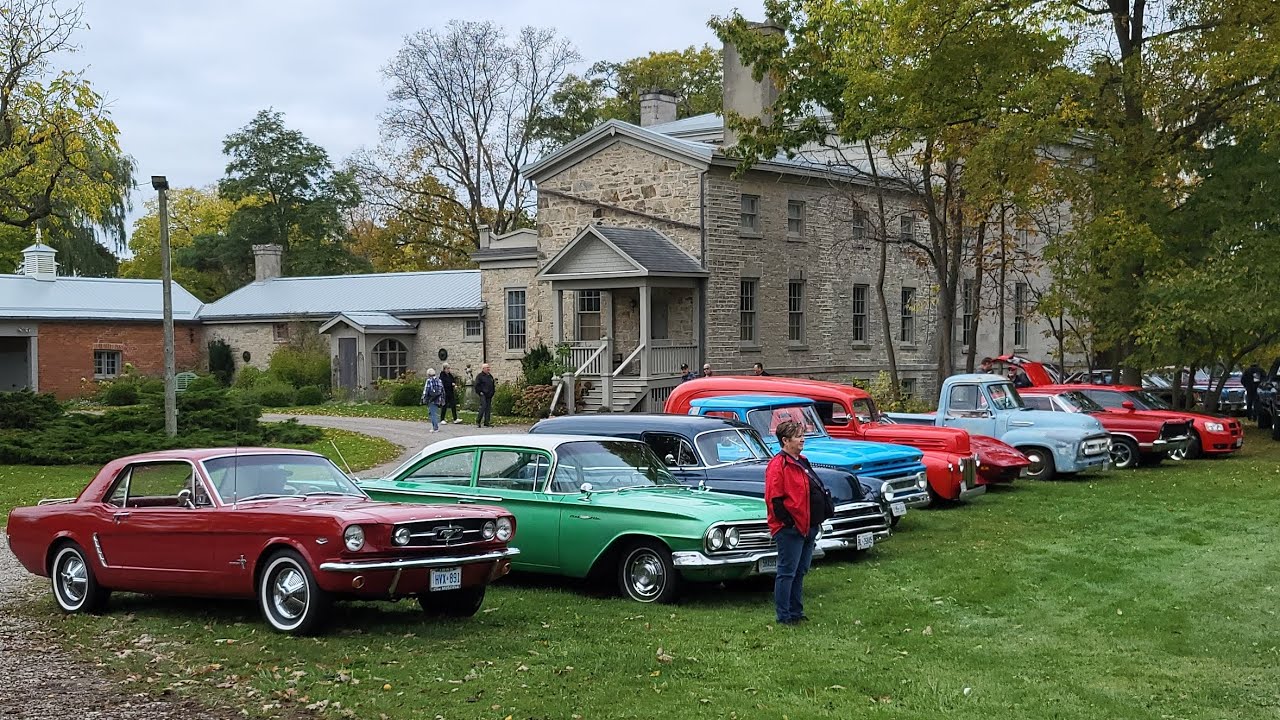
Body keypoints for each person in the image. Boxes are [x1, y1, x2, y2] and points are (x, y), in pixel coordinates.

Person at [765, 420, 833, 625]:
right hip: (791, 529)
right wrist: (789, 524)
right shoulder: (778, 465)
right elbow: (774, 499)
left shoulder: (802, 461)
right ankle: (784, 616)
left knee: (801, 570)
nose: (802, 439)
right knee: (787, 572)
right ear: (785, 441)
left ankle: (796, 611)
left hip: (808, 526)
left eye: (802, 435)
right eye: (797, 436)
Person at [421, 368, 445, 432]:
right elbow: (442, 391)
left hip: (431, 399)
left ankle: (435, 427)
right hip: (438, 399)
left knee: (432, 413)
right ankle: (435, 426)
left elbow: (426, 390)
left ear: (429, 374)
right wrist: (442, 400)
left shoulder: (429, 381)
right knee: (434, 412)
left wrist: (423, 398)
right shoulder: (439, 380)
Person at [474, 363, 496, 427]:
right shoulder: (480, 376)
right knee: (483, 406)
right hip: (483, 394)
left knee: (488, 408)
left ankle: (487, 422)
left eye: (488, 367)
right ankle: (478, 421)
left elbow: (492, 385)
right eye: (487, 368)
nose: (488, 369)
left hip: (489, 394)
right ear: (483, 369)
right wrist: (479, 392)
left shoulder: (490, 376)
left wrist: (493, 392)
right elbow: (476, 385)